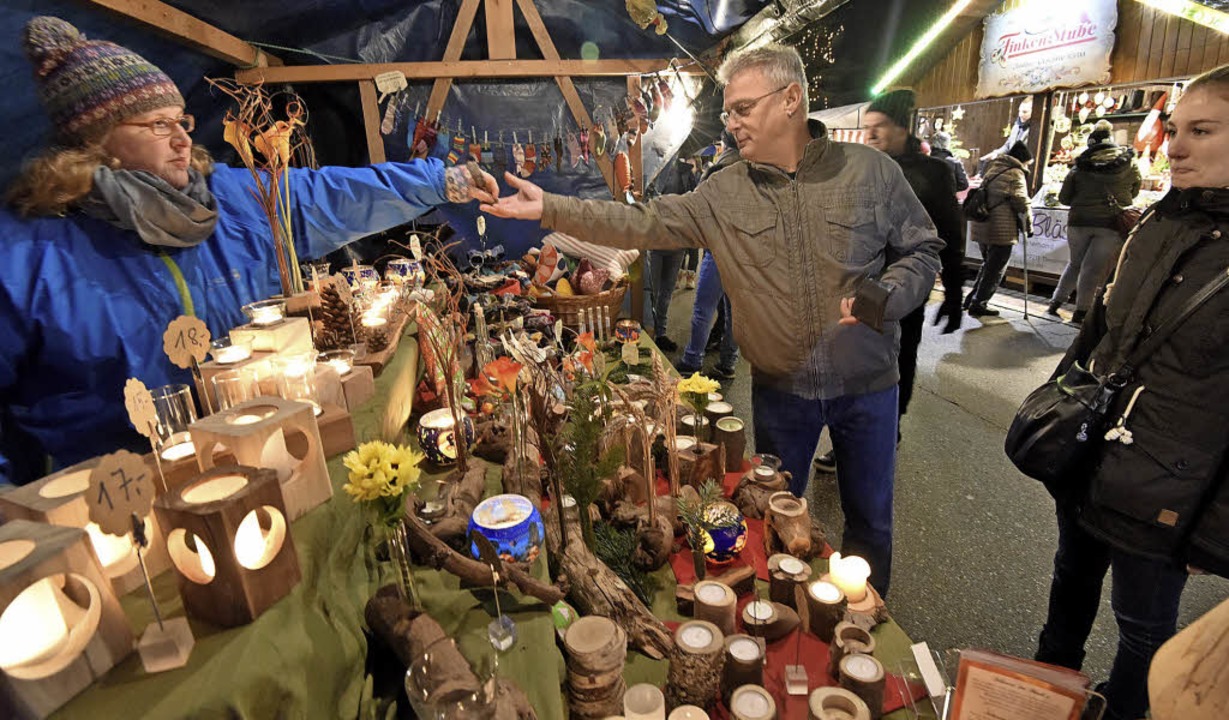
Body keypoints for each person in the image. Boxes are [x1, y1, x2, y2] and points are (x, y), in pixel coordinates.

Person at [483, 43, 944, 596]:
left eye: (743, 108)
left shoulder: (871, 172)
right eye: (727, 111)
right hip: (782, 394)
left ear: (791, 99)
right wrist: (551, 208)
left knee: (871, 526)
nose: (730, 123)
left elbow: (923, 250)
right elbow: (641, 222)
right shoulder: (724, 191)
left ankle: (866, 637)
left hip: (870, 389)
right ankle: (782, 621)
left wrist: (884, 296)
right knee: (768, 519)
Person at [0, 17, 497, 487]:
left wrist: (438, 180)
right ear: (95, 142)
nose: (180, 139)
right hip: (130, 497)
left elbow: (331, 195)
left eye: (182, 121)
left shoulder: (233, 200)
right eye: (155, 125)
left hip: (270, 454)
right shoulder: (30, 255)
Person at [1032, 64, 1229, 720]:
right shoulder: (1150, 224)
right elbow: (1093, 338)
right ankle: (1039, 695)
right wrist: (1059, 409)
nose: (1173, 146)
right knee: (1068, 588)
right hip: (1091, 458)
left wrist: (1213, 532)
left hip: (1170, 492)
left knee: (1143, 629)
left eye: (1201, 131)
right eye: (1174, 130)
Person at [813, 90, 963, 473]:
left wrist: (955, 293)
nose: (873, 136)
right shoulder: (864, 171)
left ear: (902, 128)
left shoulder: (933, 172)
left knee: (899, 356)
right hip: (863, 282)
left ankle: (887, 427)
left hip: (906, 287)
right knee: (849, 353)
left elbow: (949, 232)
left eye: (880, 128)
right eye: (869, 128)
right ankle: (845, 434)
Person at [1047, 120, 1141, 324]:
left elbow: (1064, 198)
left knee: (1075, 263)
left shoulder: (1080, 167)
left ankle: (1056, 302)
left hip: (1079, 221)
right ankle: (1081, 312)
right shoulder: (1129, 164)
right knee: (1092, 268)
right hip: (1109, 224)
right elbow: (1132, 195)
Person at [677, 130, 741, 380]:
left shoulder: (718, 170)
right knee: (735, 312)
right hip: (743, 254)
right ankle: (728, 363)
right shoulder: (754, 168)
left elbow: (698, 204)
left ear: (724, 145)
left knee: (704, 309)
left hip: (719, 250)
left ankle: (692, 360)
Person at [966, 140, 1033, 317]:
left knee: (988, 264)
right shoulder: (1015, 173)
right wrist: (1028, 225)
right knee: (996, 267)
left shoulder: (993, 167)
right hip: (1000, 227)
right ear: (1022, 159)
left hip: (983, 224)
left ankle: (973, 298)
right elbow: (1021, 201)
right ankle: (979, 303)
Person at [978, 97, 1032, 175]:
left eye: (1024, 112)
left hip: (1023, 171)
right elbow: (1007, 146)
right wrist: (996, 153)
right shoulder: (1016, 126)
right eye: (1019, 111)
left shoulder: (1035, 130)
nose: (1020, 114)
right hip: (1010, 169)